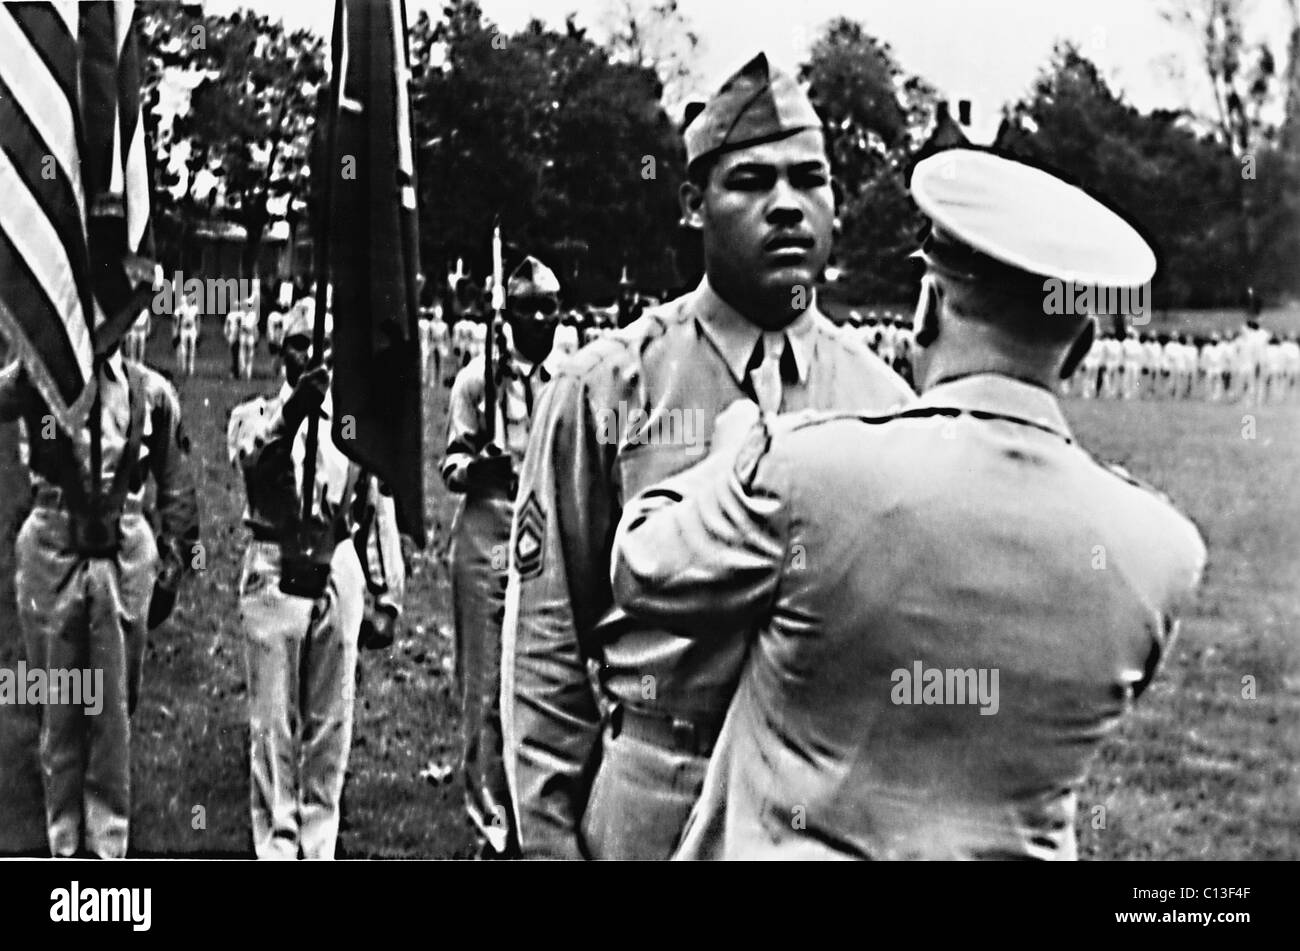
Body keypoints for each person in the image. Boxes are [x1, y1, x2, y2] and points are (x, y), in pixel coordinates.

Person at [611, 148, 1207, 860]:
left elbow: (643, 566)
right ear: (1080, 345)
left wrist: (733, 449)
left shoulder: (805, 470)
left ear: (926, 308)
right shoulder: (1160, 549)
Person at [501, 51, 912, 860]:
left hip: (824, 807)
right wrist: (550, 841)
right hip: (660, 785)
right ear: (693, 204)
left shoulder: (888, 407)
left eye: (810, 180)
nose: (787, 205)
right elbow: (546, 640)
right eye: (752, 182)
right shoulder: (607, 387)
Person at [0, 339, 199, 858]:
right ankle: (63, 841)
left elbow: (175, 482)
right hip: (54, 536)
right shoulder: (35, 378)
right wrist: (30, 363)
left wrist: (175, 559)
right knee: (58, 699)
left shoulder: (149, 391)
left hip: (122, 541)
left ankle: (108, 844)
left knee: (113, 704)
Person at [226, 304, 405, 860]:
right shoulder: (255, 413)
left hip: (336, 556)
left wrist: (387, 593)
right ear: (282, 352)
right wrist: (291, 414)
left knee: (332, 716)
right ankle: (278, 840)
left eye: (323, 347)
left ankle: (318, 837)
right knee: (274, 717)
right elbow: (253, 458)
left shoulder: (348, 423)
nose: (313, 358)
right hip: (276, 561)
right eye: (301, 344)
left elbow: (375, 502)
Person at [442, 255, 563, 857]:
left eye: (549, 308)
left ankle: (535, 813)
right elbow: (451, 464)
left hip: (549, 536)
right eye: (527, 309)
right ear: (507, 315)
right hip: (489, 531)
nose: (539, 319)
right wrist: (478, 469)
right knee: (485, 684)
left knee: (544, 679)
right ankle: (491, 825)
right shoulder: (476, 380)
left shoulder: (570, 382)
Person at [175, 290, 199, 377]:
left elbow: (197, 319)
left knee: (192, 349)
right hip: (184, 329)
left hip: (192, 329)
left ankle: (191, 369)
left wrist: (197, 330)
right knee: (183, 349)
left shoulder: (195, 308)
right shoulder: (182, 307)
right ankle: (184, 368)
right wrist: (177, 329)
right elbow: (178, 317)